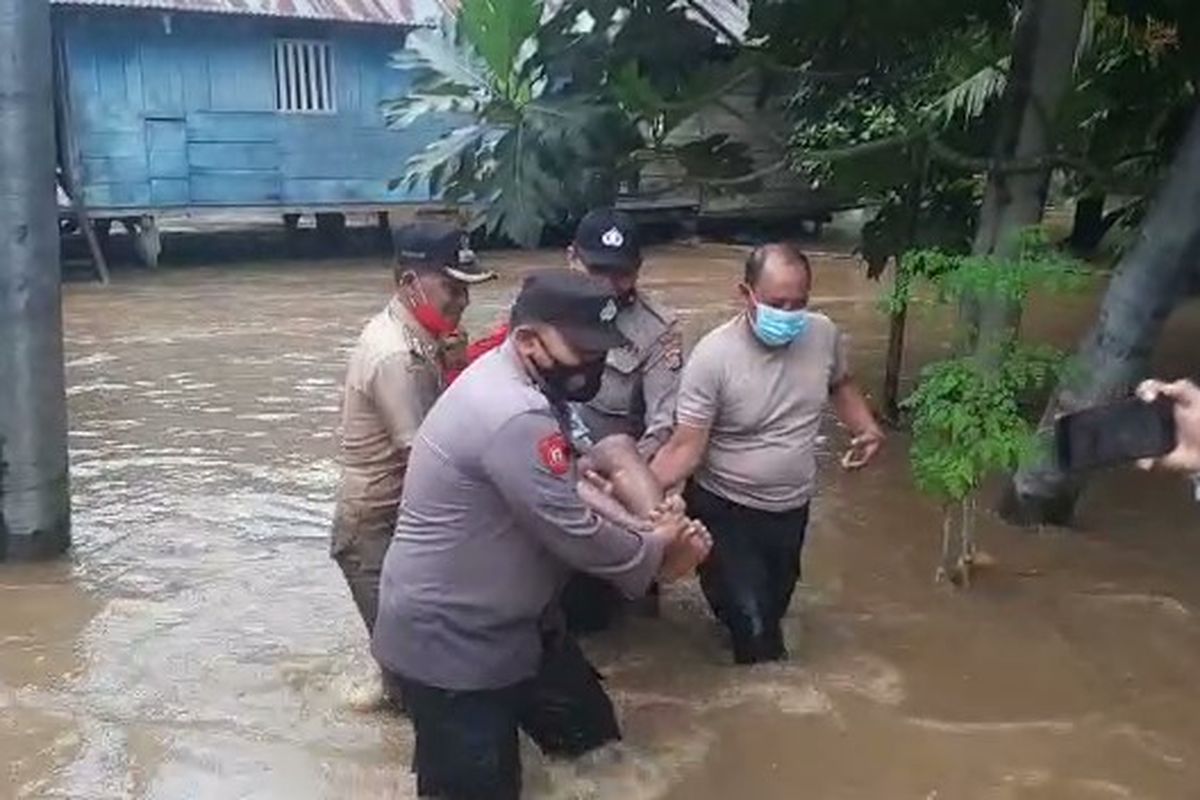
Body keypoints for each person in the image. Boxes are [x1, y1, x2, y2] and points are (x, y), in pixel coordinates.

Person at [372, 269, 711, 800]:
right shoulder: (512, 412)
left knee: (596, 751)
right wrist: (656, 556)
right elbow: (571, 527)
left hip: (524, 626)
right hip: (455, 643)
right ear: (529, 340)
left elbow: (571, 484)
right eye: (584, 351)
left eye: (603, 351)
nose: (594, 364)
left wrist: (646, 529)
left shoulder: (529, 385)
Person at [650, 242, 885, 664]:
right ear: (746, 294)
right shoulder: (713, 358)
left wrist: (865, 428)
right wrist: (638, 496)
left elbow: (840, 383)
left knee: (771, 610)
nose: (789, 314)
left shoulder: (822, 334)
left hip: (790, 509)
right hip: (726, 510)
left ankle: (733, 631)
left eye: (799, 303)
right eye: (777, 304)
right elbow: (685, 448)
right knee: (759, 641)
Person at [330, 221, 494, 642]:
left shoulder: (422, 336)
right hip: (375, 528)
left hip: (397, 520)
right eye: (452, 288)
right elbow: (425, 461)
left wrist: (454, 364)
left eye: (466, 289)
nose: (464, 301)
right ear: (409, 284)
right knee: (409, 656)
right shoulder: (397, 357)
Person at [562, 208, 684, 630]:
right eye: (598, 271)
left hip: (625, 484)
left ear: (638, 270)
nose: (609, 285)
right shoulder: (543, 313)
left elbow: (664, 426)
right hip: (557, 476)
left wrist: (620, 482)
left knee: (639, 628)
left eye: (622, 274)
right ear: (571, 259)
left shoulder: (657, 330)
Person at [1136, 379, 1200, 473]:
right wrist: (1162, 389)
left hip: (1165, 444)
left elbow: (1180, 458)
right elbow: (1181, 390)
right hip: (1161, 409)